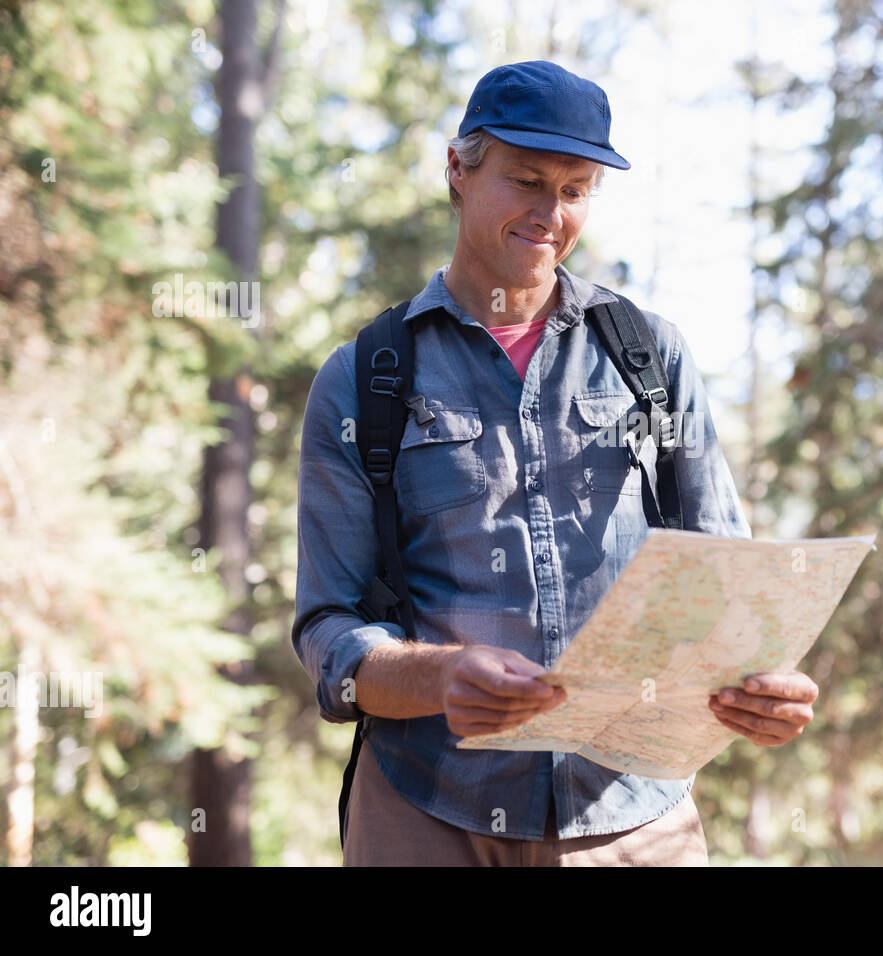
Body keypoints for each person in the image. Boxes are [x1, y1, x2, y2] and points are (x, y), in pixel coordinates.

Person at [291, 60, 819, 866]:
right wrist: (437, 676)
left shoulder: (649, 354)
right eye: (528, 180)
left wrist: (760, 686)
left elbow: (726, 578)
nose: (551, 213)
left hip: (635, 815)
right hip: (425, 807)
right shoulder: (367, 376)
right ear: (458, 169)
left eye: (576, 190)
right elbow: (329, 628)